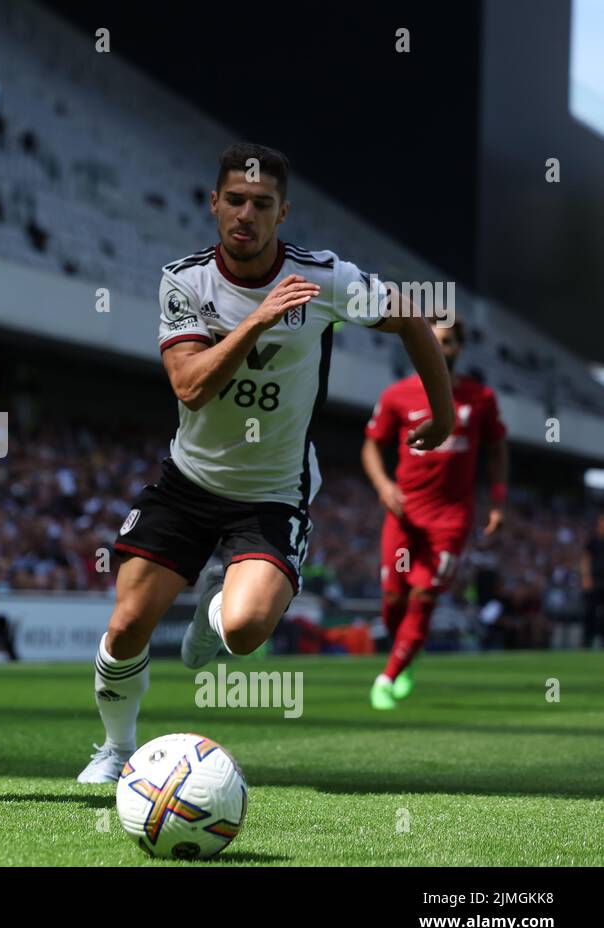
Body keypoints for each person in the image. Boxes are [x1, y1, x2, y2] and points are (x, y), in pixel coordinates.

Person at [76, 143, 453, 783]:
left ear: (283, 213)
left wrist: (440, 415)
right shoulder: (184, 280)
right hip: (188, 481)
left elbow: (411, 316)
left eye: (262, 204)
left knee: (246, 630)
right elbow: (190, 385)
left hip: (274, 492)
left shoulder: (326, 278)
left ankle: (211, 613)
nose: (245, 215)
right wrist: (258, 320)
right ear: (214, 204)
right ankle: (116, 751)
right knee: (127, 625)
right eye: (235, 201)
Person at [362, 316, 507, 708]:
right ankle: (405, 654)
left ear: (459, 347)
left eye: (447, 342)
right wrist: (383, 485)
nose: (441, 349)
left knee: (424, 596)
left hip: (451, 518)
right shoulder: (397, 396)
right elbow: (371, 445)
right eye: (434, 341)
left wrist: (497, 499)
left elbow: (496, 448)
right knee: (394, 600)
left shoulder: (481, 399)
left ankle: (388, 677)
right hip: (405, 515)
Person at [582, 514, 604, 649]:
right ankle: (587, 642)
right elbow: (586, 560)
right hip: (595, 582)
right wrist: (586, 577)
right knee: (590, 612)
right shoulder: (593, 541)